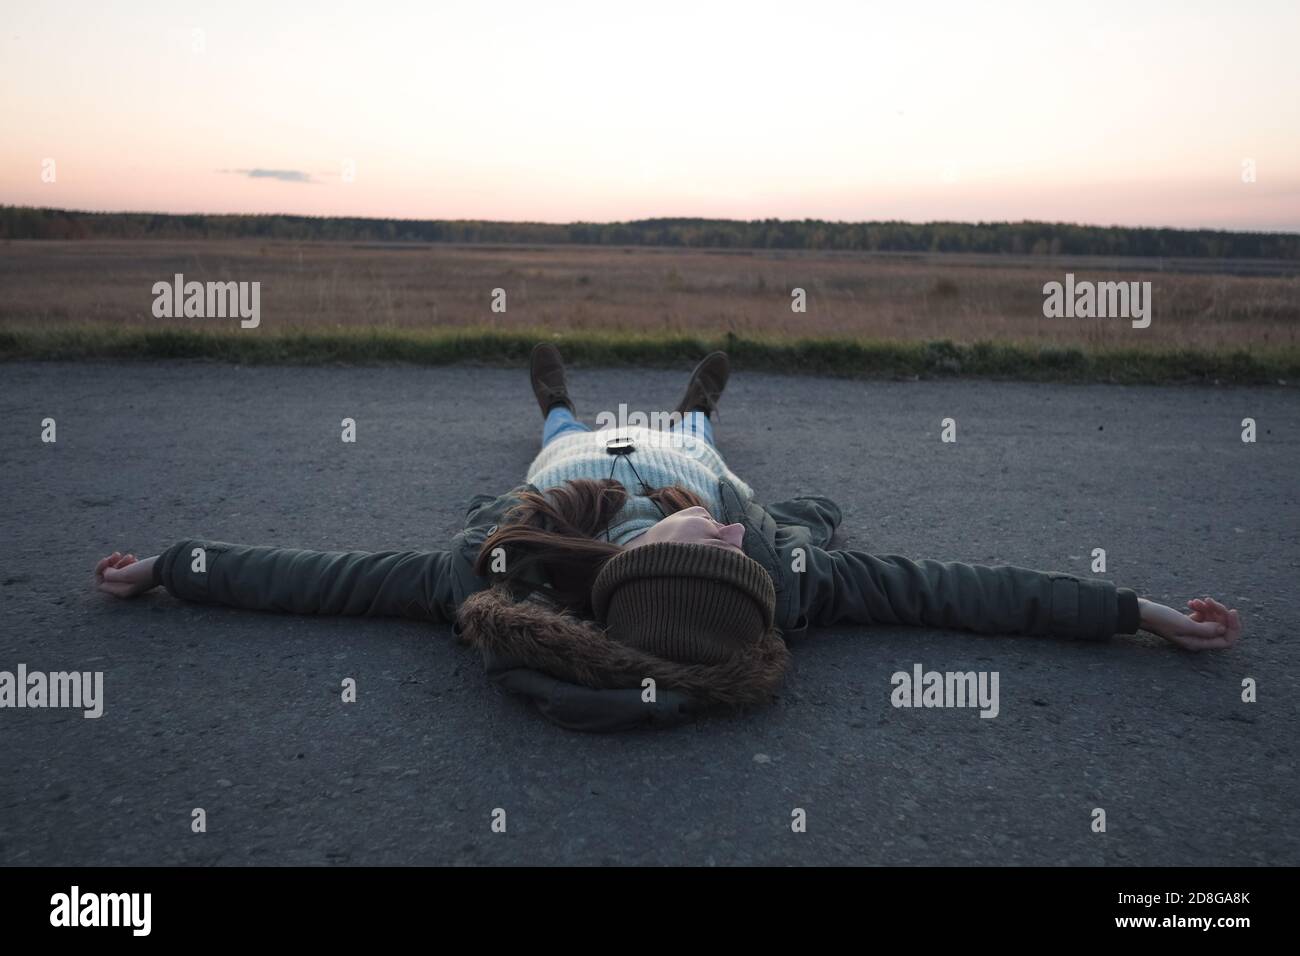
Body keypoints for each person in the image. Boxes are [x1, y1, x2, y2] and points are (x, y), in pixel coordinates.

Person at [95, 346, 1243, 731]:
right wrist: (1134, 608)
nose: (737, 532)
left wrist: (168, 566)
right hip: (676, 452)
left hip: (565, 473)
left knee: (561, 432)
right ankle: (700, 399)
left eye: (717, 537)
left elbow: (314, 581)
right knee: (699, 442)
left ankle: (551, 394)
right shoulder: (776, 579)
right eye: (738, 543)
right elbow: (967, 590)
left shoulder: (494, 567)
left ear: (649, 558)